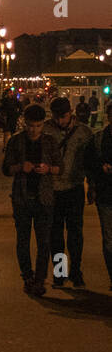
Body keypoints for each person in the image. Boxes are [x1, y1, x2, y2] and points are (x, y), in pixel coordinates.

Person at [3, 104, 60, 296]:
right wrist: (21, 167)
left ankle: (40, 279)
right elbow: (6, 169)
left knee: (44, 242)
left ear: (43, 124)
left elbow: (59, 167)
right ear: (24, 123)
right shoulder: (16, 142)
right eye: (30, 126)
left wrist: (48, 169)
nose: (34, 130)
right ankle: (27, 276)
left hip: (44, 198)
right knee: (23, 241)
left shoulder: (50, 142)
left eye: (37, 126)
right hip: (22, 198)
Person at [43, 97, 93, 287]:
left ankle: (75, 271)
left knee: (75, 234)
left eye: (63, 116)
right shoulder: (46, 130)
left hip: (74, 188)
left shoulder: (83, 132)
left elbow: (89, 162)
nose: (59, 121)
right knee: (55, 235)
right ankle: (60, 273)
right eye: (56, 116)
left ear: (70, 112)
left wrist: (92, 187)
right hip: (52, 189)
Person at [83, 101, 112, 290]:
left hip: (105, 193)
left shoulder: (98, 138)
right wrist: (98, 172)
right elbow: (90, 164)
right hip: (106, 194)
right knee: (109, 240)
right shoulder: (99, 139)